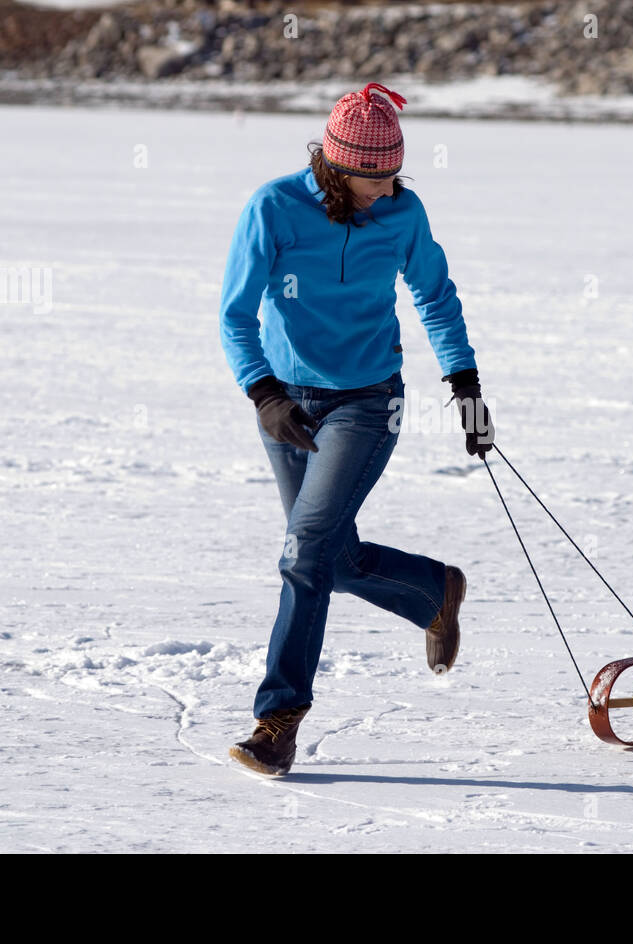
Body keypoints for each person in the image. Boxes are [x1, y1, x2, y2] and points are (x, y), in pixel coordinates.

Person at [218, 82, 494, 776]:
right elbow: (234, 316)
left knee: (305, 550)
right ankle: (433, 591)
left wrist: (465, 384)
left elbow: (434, 292)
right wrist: (262, 393)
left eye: (392, 175)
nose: (383, 189)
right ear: (335, 165)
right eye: (371, 177)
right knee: (329, 560)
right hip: (286, 403)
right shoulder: (274, 208)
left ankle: (277, 719)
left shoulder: (402, 213)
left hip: (368, 402)